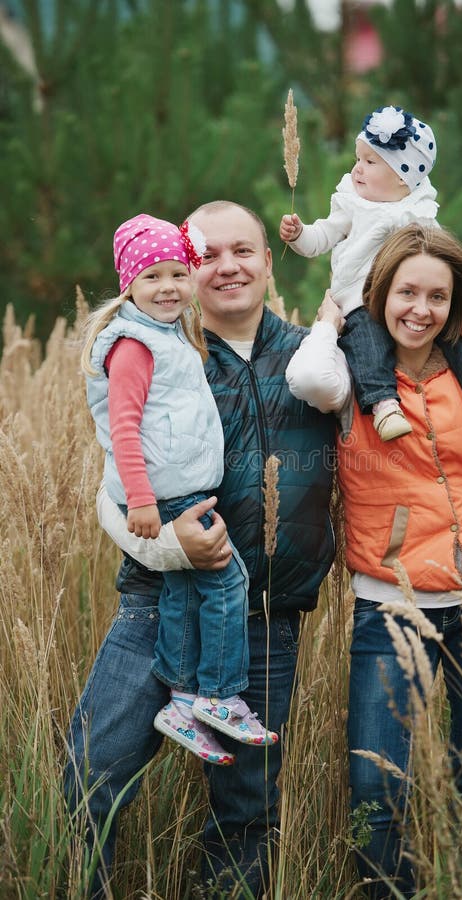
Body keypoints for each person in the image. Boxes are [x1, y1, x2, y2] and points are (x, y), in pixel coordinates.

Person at [65, 204, 462, 900]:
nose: (229, 266)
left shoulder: (324, 356)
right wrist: (168, 546)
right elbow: (112, 491)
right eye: (209, 254)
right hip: (156, 604)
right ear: (186, 271)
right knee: (91, 779)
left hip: (266, 620)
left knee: (245, 816)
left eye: (244, 250)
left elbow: (420, 427)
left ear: (268, 260)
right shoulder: (164, 354)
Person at [285, 223, 462, 897]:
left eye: (437, 296)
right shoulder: (350, 369)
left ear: (456, 304)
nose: (420, 310)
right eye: (406, 292)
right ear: (381, 293)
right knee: (376, 784)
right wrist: (325, 320)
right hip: (392, 599)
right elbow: (307, 378)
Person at [81, 212, 276, 766]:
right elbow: (122, 429)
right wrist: (145, 506)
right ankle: (217, 695)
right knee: (226, 579)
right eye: (152, 277)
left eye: (175, 273)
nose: (167, 286)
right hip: (170, 500)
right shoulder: (136, 344)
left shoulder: (171, 337)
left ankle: (185, 701)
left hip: (179, 491)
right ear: (129, 286)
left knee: (191, 593)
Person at [280, 105, 462, 441]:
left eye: (369, 162)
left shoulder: (420, 211)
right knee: (367, 344)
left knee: (455, 337)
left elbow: (441, 258)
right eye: (357, 159)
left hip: (414, 299)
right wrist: (300, 235)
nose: (357, 170)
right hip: (360, 298)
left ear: (401, 176)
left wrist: (453, 298)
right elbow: (322, 236)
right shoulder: (352, 203)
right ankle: (384, 406)